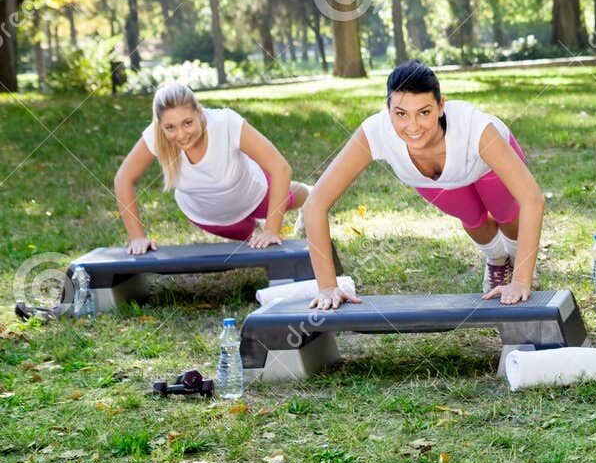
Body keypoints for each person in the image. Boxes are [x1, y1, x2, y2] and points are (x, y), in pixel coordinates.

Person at [301, 60, 545, 310]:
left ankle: (517, 264)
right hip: (436, 180)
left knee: (505, 215)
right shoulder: (375, 131)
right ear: (388, 110)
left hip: (487, 167)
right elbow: (315, 204)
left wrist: (521, 281)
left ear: (441, 106)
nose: (413, 126)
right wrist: (327, 287)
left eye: (424, 112)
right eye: (401, 114)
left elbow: (532, 199)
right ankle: (497, 259)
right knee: (474, 220)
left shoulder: (474, 127)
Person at [113, 83, 308, 252]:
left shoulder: (226, 122)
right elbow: (124, 178)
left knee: (287, 198)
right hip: (213, 219)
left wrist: (272, 230)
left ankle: (309, 195)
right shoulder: (155, 136)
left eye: (187, 123)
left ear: (200, 111)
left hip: (252, 192)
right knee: (257, 242)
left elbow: (281, 168)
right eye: (170, 127)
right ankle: (257, 227)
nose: (181, 135)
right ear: (161, 125)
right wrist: (137, 236)